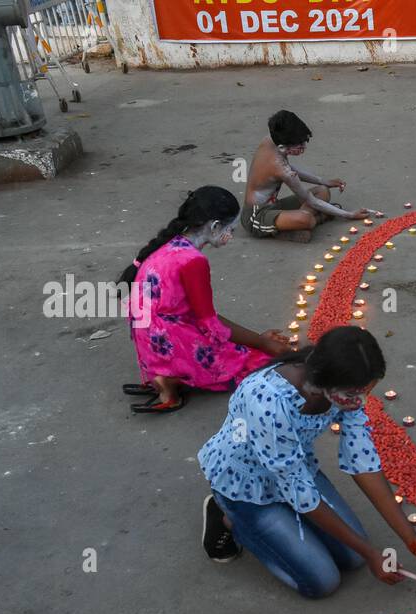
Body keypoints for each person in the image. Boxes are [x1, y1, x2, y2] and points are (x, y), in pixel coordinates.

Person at [197, 326, 416, 599]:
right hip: (248, 486)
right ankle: (229, 517)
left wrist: (408, 536)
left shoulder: (343, 391)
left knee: (353, 559)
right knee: (322, 582)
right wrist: (371, 552)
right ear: (326, 381)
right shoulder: (269, 403)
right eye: (357, 391)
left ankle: (289, 529)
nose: (361, 399)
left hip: (296, 471)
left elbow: (361, 460)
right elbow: (300, 493)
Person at [119, 186, 292, 413]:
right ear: (215, 226)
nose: (231, 235)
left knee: (246, 347)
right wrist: (262, 343)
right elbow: (211, 323)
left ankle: (163, 372)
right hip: (167, 338)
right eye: (230, 228)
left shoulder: (170, 243)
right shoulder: (193, 261)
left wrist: (256, 339)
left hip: (148, 338)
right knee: (257, 362)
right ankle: (168, 382)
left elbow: (195, 313)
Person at [242, 110, 375, 242]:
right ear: (283, 147)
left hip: (274, 206)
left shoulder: (272, 139)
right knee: (306, 219)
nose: (303, 148)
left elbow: (290, 168)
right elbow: (310, 200)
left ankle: (292, 226)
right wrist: (349, 215)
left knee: (322, 190)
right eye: (299, 146)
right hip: (255, 217)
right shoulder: (280, 168)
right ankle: (312, 220)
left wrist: (324, 181)